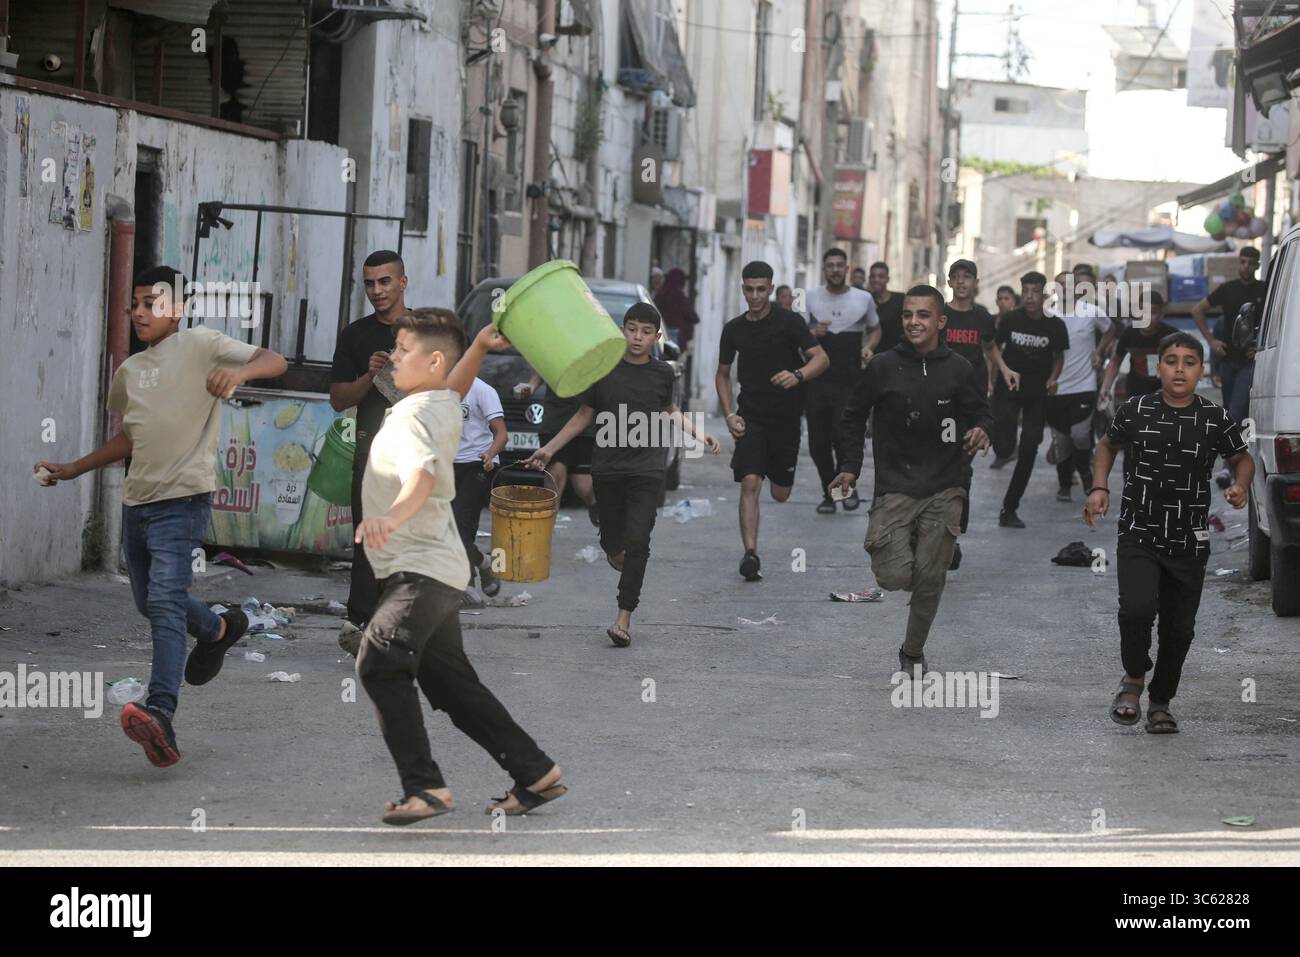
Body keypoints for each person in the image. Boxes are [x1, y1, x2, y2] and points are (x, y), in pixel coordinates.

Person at [36, 267, 288, 767]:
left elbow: (274, 360)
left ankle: (161, 713)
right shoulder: (130, 371)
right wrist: (74, 468)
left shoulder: (201, 344)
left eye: (151, 303)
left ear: (178, 309)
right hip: (137, 504)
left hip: (183, 500)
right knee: (148, 601)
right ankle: (218, 630)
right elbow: (130, 437)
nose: (139, 313)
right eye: (134, 304)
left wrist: (238, 374)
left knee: (165, 602)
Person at [355, 309, 565, 824]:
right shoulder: (440, 402)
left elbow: (422, 476)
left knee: (379, 662)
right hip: (440, 569)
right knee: (451, 686)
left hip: (420, 570)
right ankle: (536, 772)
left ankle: (425, 788)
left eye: (403, 350)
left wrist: (389, 517)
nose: (393, 357)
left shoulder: (414, 418)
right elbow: (457, 384)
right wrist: (478, 349)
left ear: (431, 361)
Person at [1085, 332, 1253, 734]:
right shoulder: (1135, 409)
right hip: (1139, 531)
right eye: (1171, 361)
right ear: (1157, 367)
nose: (1180, 369)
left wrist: (1240, 485)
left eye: (1189, 362)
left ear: (1201, 370)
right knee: (1136, 610)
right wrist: (1099, 487)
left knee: (1179, 629)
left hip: (1189, 540)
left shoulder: (1214, 418)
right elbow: (1106, 446)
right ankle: (1133, 678)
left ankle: (1161, 701)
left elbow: (1241, 458)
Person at [526, 303, 719, 646]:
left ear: (656, 337)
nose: (637, 337)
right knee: (613, 542)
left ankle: (623, 619)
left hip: (647, 469)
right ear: (621, 331)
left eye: (646, 332)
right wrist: (549, 449)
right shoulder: (604, 370)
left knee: (639, 541)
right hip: (608, 469)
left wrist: (698, 433)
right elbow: (582, 416)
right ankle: (611, 545)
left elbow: (670, 409)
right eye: (632, 329)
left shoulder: (662, 374)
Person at [831, 285, 993, 673]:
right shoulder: (883, 366)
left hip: (946, 485)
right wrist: (850, 465)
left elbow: (982, 412)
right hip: (895, 486)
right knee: (893, 575)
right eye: (908, 314)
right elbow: (853, 415)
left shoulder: (959, 369)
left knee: (930, 578)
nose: (914, 322)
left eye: (923, 315)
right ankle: (916, 549)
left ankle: (913, 651)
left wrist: (982, 429)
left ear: (941, 321)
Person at [716, 260, 829, 581]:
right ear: (743, 290)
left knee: (781, 493)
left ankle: (772, 469)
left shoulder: (790, 322)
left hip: (786, 420)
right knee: (750, 482)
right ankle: (750, 555)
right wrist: (729, 414)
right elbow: (722, 375)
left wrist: (798, 375)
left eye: (761, 290)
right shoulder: (734, 329)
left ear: (770, 289)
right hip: (751, 417)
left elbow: (822, 359)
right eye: (749, 290)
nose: (755, 296)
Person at [330, 249, 408, 653]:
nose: (377, 290)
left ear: (402, 282)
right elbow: (339, 399)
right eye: (370, 283)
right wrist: (371, 375)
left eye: (385, 281)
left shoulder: (425, 331)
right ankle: (361, 622)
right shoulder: (355, 335)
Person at [990, 271, 1069, 529]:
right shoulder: (1010, 319)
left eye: (1035, 291)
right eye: (1026, 291)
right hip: (1009, 388)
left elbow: (1059, 357)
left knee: (1029, 449)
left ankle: (1009, 508)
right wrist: (998, 373)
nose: (1030, 297)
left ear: (1044, 294)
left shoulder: (1055, 325)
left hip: (1037, 394)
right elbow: (993, 347)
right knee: (1004, 444)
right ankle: (1005, 449)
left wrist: (1053, 378)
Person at [805, 248, 881, 514]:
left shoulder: (863, 298)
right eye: (830, 265)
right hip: (817, 381)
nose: (835, 270)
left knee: (843, 437)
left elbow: (876, 329)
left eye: (840, 265)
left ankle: (842, 490)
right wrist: (813, 332)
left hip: (849, 381)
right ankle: (830, 491)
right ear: (824, 269)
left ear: (847, 268)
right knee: (818, 444)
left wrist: (869, 347)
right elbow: (797, 334)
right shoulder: (809, 297)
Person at [941, 259, 1000, 565]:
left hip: (971, 404)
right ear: (949, 282)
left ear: (975, 282)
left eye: (967, 277)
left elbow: (989, 347)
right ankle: (932, 533)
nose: (962, 281)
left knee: (962, 471)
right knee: (937, 468)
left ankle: (953, 537)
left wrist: (1003, 370)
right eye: (956, 277)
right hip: (939, 403)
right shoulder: (940, 315)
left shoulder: (983, 317)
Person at [1045, 268, 1114, 503]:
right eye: (1060, 284)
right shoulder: (1048, 315)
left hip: (1084, 384)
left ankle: (1086, 476)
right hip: (1056, 387)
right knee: (1062, 440)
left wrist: (1099, 351)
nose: (1065, 288)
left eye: (1069, 284)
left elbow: (1110, 330)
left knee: (1080, 435)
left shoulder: (1091, 311)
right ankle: (1064, 484)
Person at [516, 370, 599, 526]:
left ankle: (596, 505)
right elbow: (537, 377)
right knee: (555, 476)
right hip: (555, 422)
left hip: (586, 425)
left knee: (583, 485)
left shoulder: (594, 356)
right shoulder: (554, 357)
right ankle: (545, 531)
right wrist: (527, 388)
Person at [451, 375, 508, 603]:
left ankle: (466, 586)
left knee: (461, 524)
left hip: (478, 463)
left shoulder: (483, 390)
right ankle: (484, 563)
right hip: (446, 464)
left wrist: (490, 455)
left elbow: (502, 434)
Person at [1192, 246, 1262, 427]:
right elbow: (1197, 310)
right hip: (1227, 359)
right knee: (1230, 409)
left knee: (1237, 411)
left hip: (1250, 361)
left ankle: (1234, 444)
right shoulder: (1227, 289)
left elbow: (1275, 319)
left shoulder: (1264, 289)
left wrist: (1261, 346)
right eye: (1243, 262)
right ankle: (1234, 444)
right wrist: (1211, 341)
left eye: (1251, 263)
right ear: (1238, 263)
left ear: (1257, 266)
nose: (1246, 266)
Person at [1099, 292, 1180, 404]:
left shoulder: (1172, 336)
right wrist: (1105, 387)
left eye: (1153, 312)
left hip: (1166, 393)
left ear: (1161, 315)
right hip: (1136, 393)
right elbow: (1115, 362)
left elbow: (1184, 366)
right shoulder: (1129, 334)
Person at [655, 267, 700, 352]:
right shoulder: (679, 296)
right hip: (675, 337)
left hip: (659, 334)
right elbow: (694, 317)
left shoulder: (660, 294)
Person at [866, 261, 906, 355]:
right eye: (873, 276)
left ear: (887, 279)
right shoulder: (866, 300)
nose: (876, 279)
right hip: (872, 356)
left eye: (881, 276)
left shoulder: (900, 299)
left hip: (897, 355)